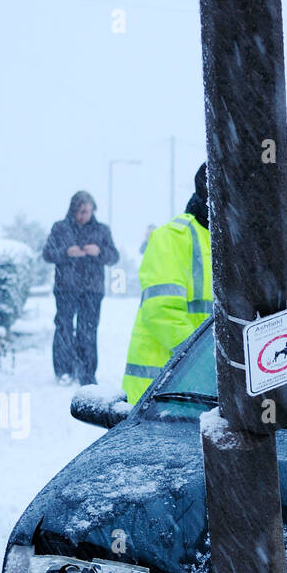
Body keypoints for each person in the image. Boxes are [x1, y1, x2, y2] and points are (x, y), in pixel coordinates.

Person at [122, 164, 212, 404]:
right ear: (208, 192)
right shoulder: (172, 237)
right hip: (158, 396)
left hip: (199, 392)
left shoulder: (230, 242)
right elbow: (163, 314)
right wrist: (206, 362)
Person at [42, 191, 119, 385]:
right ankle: (64, 371)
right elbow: (47, 254)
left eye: (86, 211)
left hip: (92, 290)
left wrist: (99, 252)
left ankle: (86, 373)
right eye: (79, 211)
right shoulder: (60, 228)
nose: (82, 215)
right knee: (64, 328)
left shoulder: (102, 230)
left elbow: (114, 257)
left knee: (88, 330)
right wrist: (66, 252)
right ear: (72, 209)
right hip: (65, 288)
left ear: (93, 210)